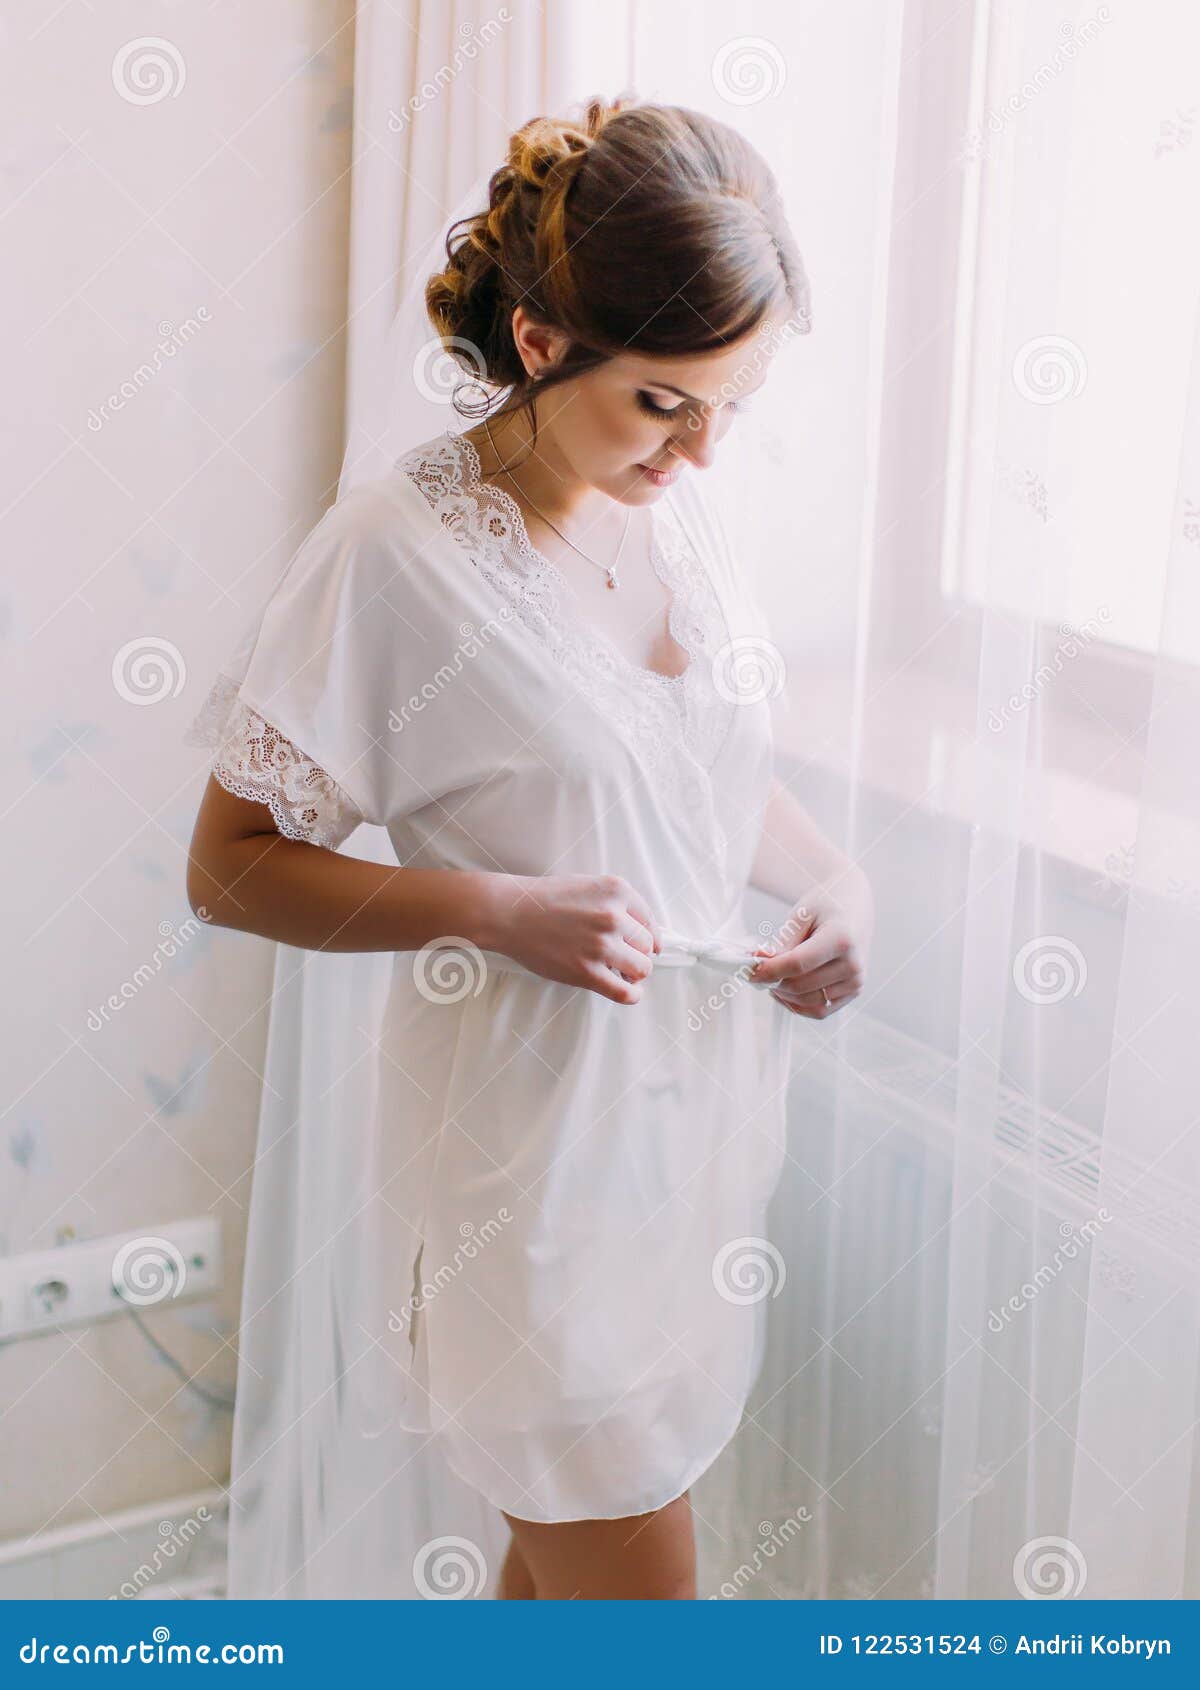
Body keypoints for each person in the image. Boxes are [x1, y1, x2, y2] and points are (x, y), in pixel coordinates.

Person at [185, 96, 873, 1601]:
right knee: (643, 1606)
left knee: (556, 1585)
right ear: (544, 341)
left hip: (685, 1154)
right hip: (529, 1179)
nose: (698, 452)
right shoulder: (394, 557)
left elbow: (682, 769)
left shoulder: (671, 517)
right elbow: (230, 862)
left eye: (728, 411)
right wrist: (493, 907)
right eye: (665, 405)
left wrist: (835, 877)